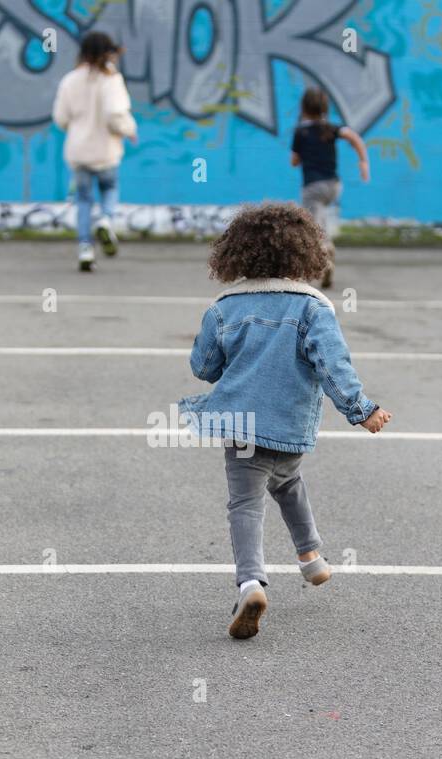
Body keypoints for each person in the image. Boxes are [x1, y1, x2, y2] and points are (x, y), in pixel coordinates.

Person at [178, 203, 392, 640]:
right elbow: (333, 365)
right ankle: (311, 557)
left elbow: (203, 366)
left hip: (240, 424)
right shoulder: (313, 308)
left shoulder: (224, 306)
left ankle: (251, 584)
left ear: (236, 253)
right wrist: (361, 410)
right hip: (290, 424)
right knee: (288, 483)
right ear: (305, 255)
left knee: (245, 503)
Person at [52, 32, 138, 272]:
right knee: (109, 189)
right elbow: (115, 115)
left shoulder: (70, 80)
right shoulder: (112, 80)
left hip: (78, 152)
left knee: (83, 200)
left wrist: (78, 126)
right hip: (105, 151)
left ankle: (85, 249)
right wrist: (129, 130)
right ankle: (106, 220)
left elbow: (60, 118)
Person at [290, 87, 370, 288]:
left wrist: (302, 154)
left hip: (313, 187)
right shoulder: (331, 129)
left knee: (312, 227)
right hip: (333, 186)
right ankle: (326, 245)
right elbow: (353, 137)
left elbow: (294, 161)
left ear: (303, 108)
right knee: (320, 218)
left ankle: (324, 253)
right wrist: (363, 161)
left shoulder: (301, 132)